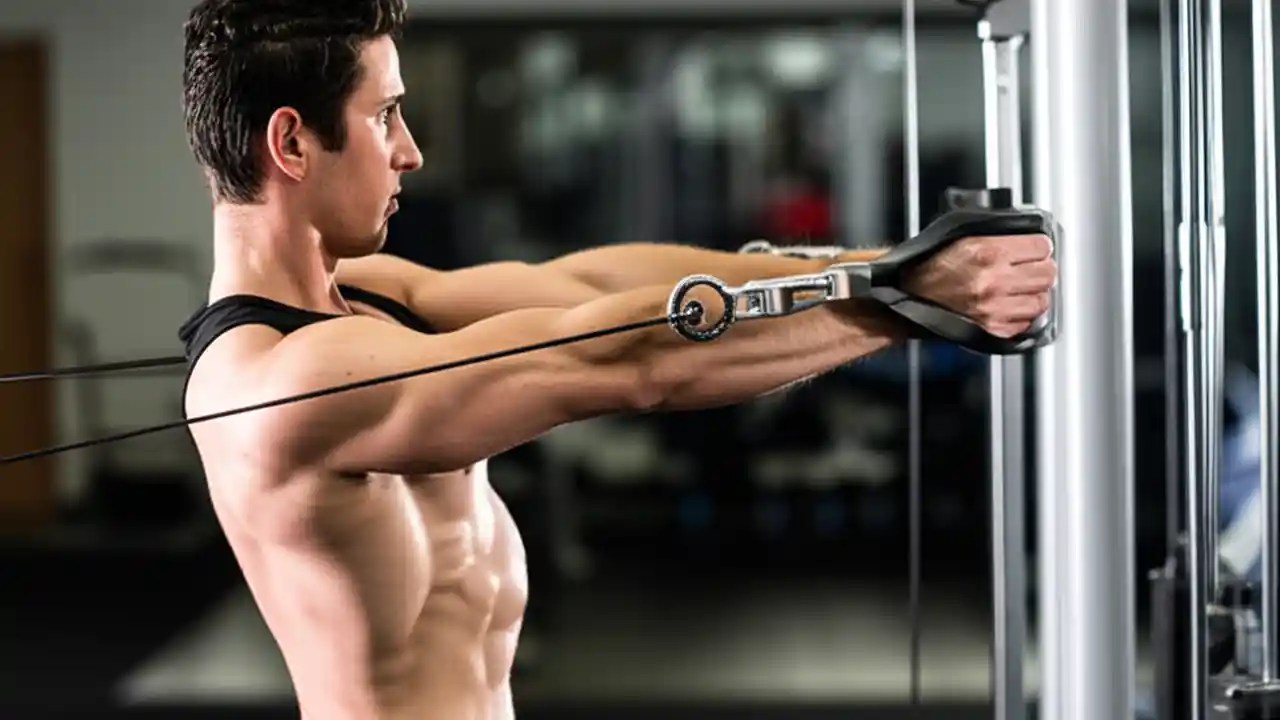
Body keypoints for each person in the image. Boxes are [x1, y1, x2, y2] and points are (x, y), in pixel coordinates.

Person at [176, 0, 1057, 717]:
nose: (409, 150)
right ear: (291, 143)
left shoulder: (370, 292)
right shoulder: (282, 386)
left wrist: (881, 268)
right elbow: (617, 361)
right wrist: (907, 305)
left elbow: (581, 285)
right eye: (384, 115)